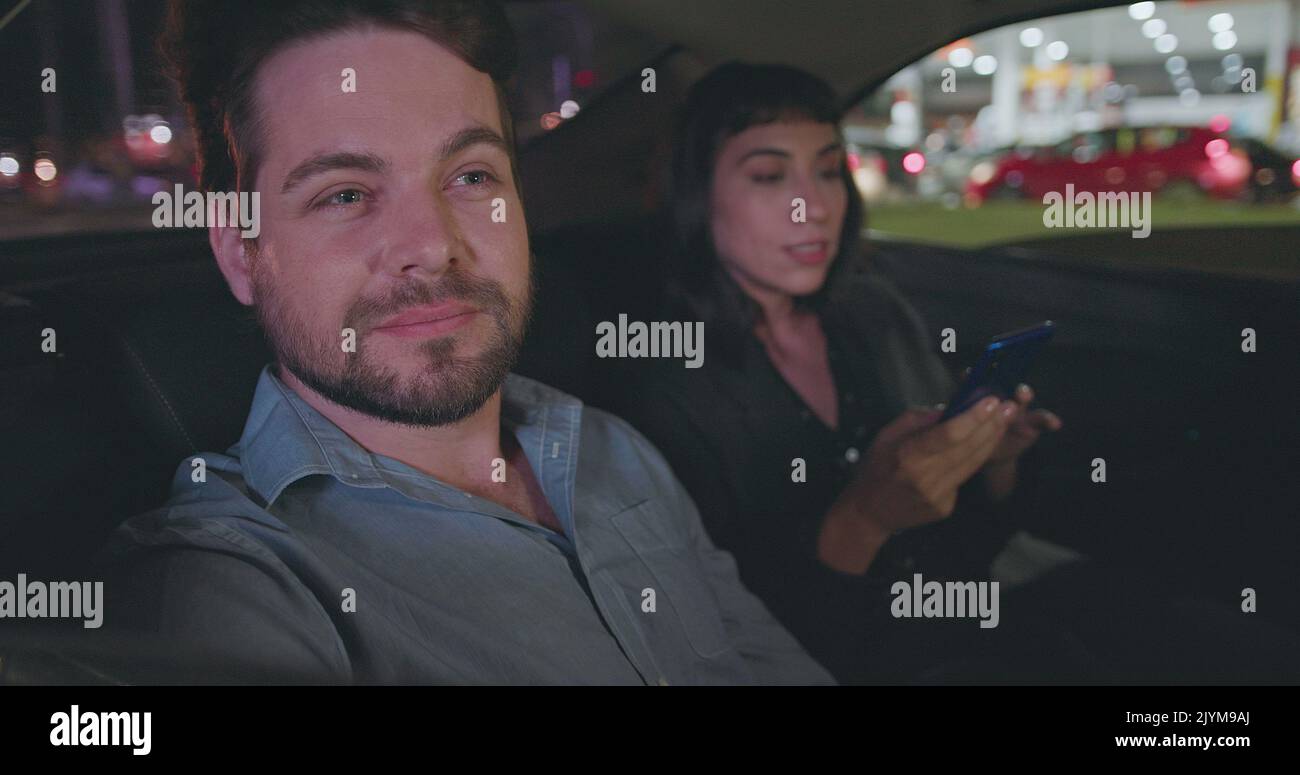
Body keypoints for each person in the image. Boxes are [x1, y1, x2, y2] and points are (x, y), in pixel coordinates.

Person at [80, 2, 833, 685]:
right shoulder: (233, 586)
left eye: (471, 176)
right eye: (344, 193)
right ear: (240, 252)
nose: (433, 246)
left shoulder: (614, 451)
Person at [612, 62, 1071, 684]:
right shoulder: (662, 379)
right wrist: (861, 523)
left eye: (828, 170)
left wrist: (993, 462)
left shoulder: (875, 315)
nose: (815, 207)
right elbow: (727, 649)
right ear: (697, 195)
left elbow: (965, 550)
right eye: (770, 176)